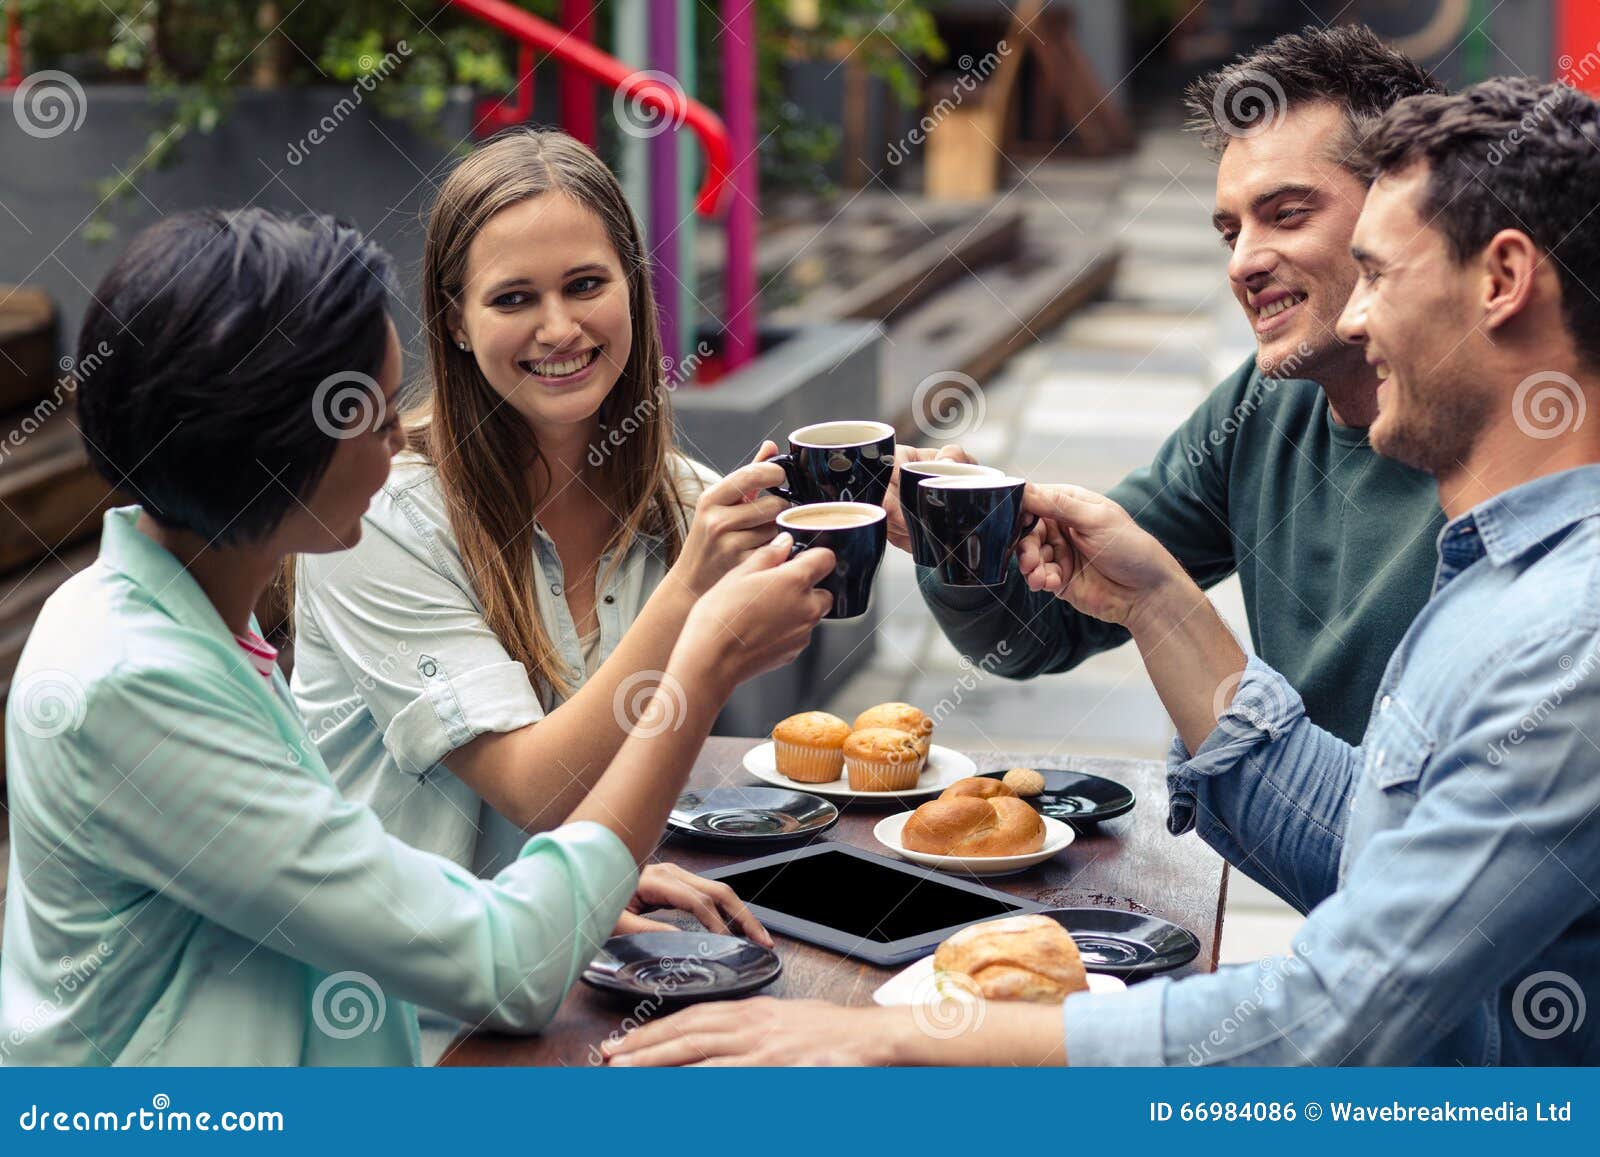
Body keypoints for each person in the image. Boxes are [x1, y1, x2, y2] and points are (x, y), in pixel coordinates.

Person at [602, 77, 1600, 1067]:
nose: (1352, 316)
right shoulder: (1487, 559)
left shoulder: (1566, 630)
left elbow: (1333, 1018)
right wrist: (1148, 595)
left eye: (1374, 270)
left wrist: (890, 1037)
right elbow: (1371, 848)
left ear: (1502, 279)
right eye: (1225, 228)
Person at [0, 208, 832, 1065]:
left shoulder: (181, 615)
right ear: (272, 443)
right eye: (372, 416)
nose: (401, 440)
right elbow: (506, 965)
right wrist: (699, 670)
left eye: (587, 284)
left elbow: (310, 872)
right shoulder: (136, 685)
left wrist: (571, 891)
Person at [895, 25, 1445, 748]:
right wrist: (965, 533)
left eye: (1286, 214)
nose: (1243, 263)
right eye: (1229, 231)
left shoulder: (1508, 441)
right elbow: (1045, 624)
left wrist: (1163, 608)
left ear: (1401, 208)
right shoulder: (1265, 405)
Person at [290, 130, 792, 905]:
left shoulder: (685, 500)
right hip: (398, 1000)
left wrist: (926, 520)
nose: (558, 328)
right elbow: (536, 791)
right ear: (456, 321)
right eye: (514, 298)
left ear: (633, 285)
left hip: (558, 953)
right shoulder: (379, 517)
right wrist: (690, 595)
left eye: (586, 284)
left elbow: (812, 561)